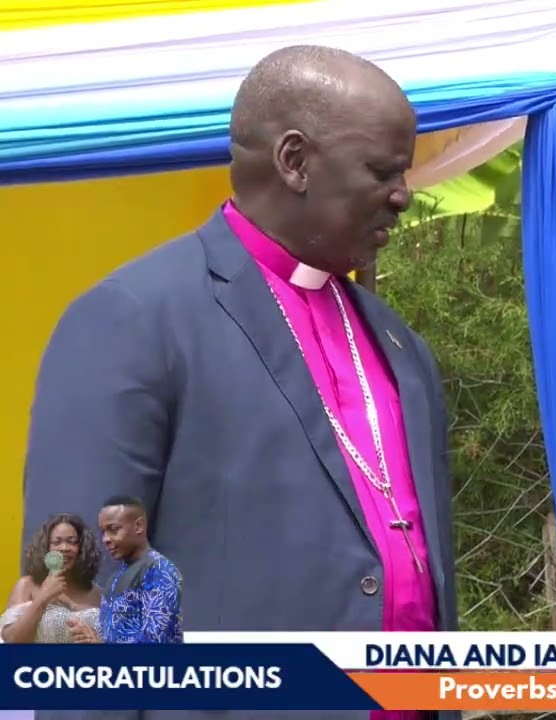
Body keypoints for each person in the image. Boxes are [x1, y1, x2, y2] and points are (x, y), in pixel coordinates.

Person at [23, 45, 456, 720]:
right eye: (383, 170)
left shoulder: (399, 342)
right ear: (295, 161)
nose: (403, 194)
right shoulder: (134, 318)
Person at [64, 497, 183, 644]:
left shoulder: (159, 570)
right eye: (103, 532)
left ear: (139, 526)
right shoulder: (115, 577)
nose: (106, 539)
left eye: (113, 529)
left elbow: (156, 639)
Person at [1, 512, 102, 644]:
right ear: (46, 548)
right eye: (56, 542)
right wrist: (43, 597)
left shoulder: (98, 593)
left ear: (82, 548)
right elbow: (12, 641)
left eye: (72, 542)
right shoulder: (26, 586)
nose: (64, 548)